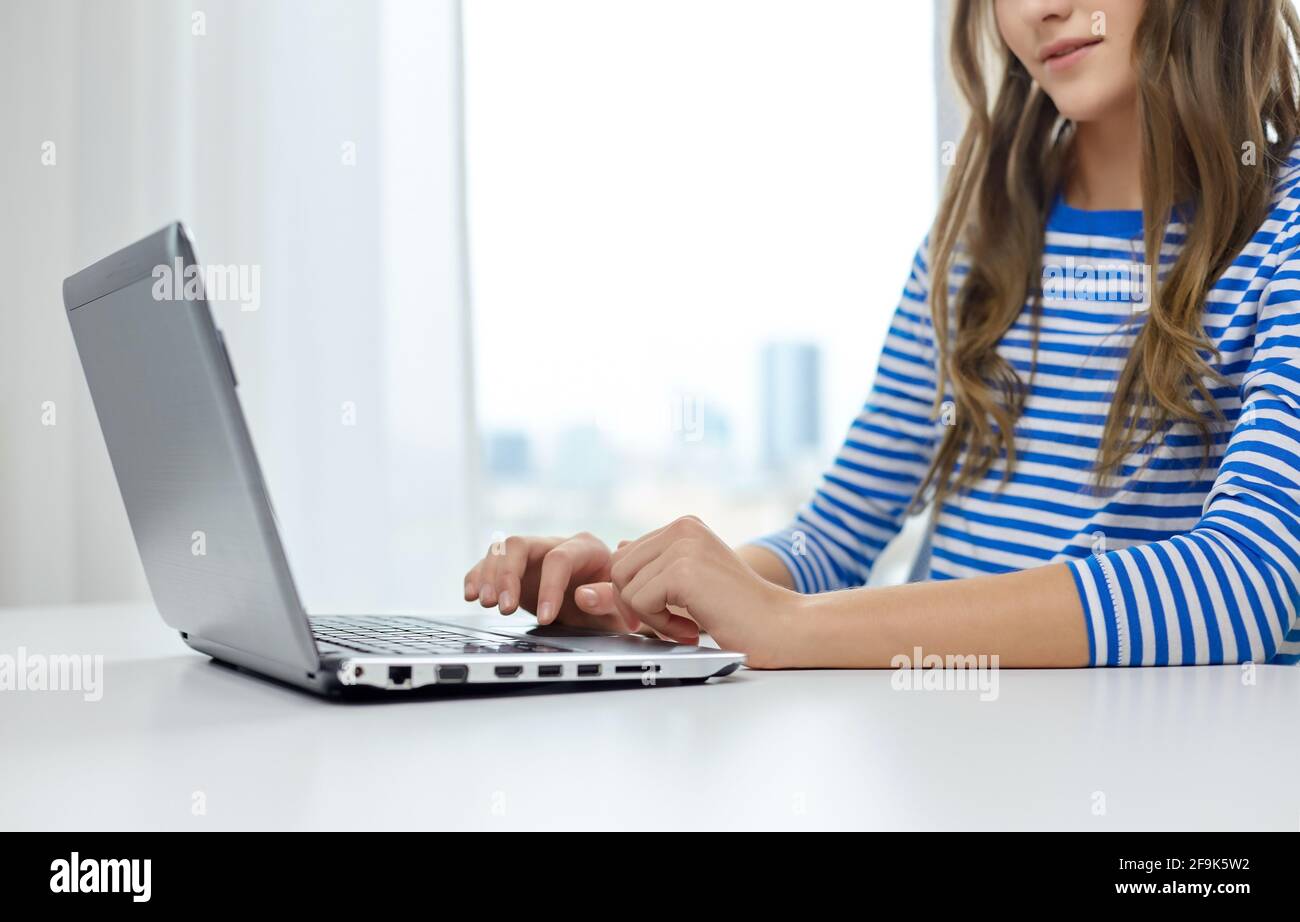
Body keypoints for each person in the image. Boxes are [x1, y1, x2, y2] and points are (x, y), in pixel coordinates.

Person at [464, 0, 1300, 668]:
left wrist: (791, 628)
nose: (1040, 9)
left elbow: (1252, 579)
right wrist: (637, 597)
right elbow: (830, 542)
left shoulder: (1284, 226)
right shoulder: (977, 244)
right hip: (948, 772)